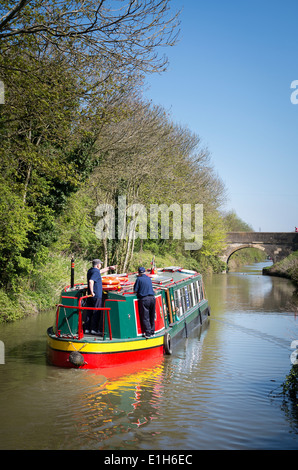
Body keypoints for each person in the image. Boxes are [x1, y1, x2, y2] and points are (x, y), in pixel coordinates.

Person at [84, 259, 116, 335]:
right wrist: (92, 292)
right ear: (98, 265)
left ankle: (87, 328)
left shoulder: (91, 270)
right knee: (96, 312)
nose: (101, 266)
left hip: (90, 295)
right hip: (96, 295)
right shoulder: (95, 272)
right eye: (100, 264)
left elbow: (100, 272)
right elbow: (91, 281)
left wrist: (109, 268)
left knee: (89, 312)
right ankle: (94, 329)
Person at [134, 267, 156, 338]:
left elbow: (135, 290)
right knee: (152, 315)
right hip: (152, 298)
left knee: (145, 316)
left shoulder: (139, 279)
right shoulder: (149, 279)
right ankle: (153, 331)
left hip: (145, 299)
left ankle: (148, 333)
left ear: (138, 273)